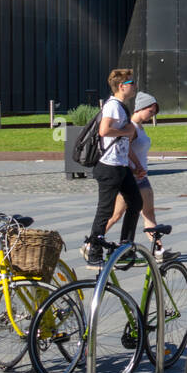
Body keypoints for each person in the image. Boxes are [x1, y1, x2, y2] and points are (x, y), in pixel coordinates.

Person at [102, 92, 175, 262]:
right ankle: (92, 244)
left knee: (149, 213)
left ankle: (159, 250)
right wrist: (135, 167)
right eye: (150, 111)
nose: (152, 115)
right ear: (141, 108)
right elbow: (124, 149)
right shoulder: (131, 127)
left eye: (154, 112)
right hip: (130, 177)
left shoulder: (139, 127)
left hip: (141, 177)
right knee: (116, 215)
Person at [82, 69, 142, 269]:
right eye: (132, 83)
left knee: (135, 202)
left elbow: (121, 140)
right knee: (105, 210)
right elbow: (104, 130)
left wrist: (135, 165)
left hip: (120, 165)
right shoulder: (113, 106)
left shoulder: (120, 106)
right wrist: (127, 130)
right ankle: (94, 252)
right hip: (109, 166)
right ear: (121, 86)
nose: (134, 86)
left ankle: (124, 248)